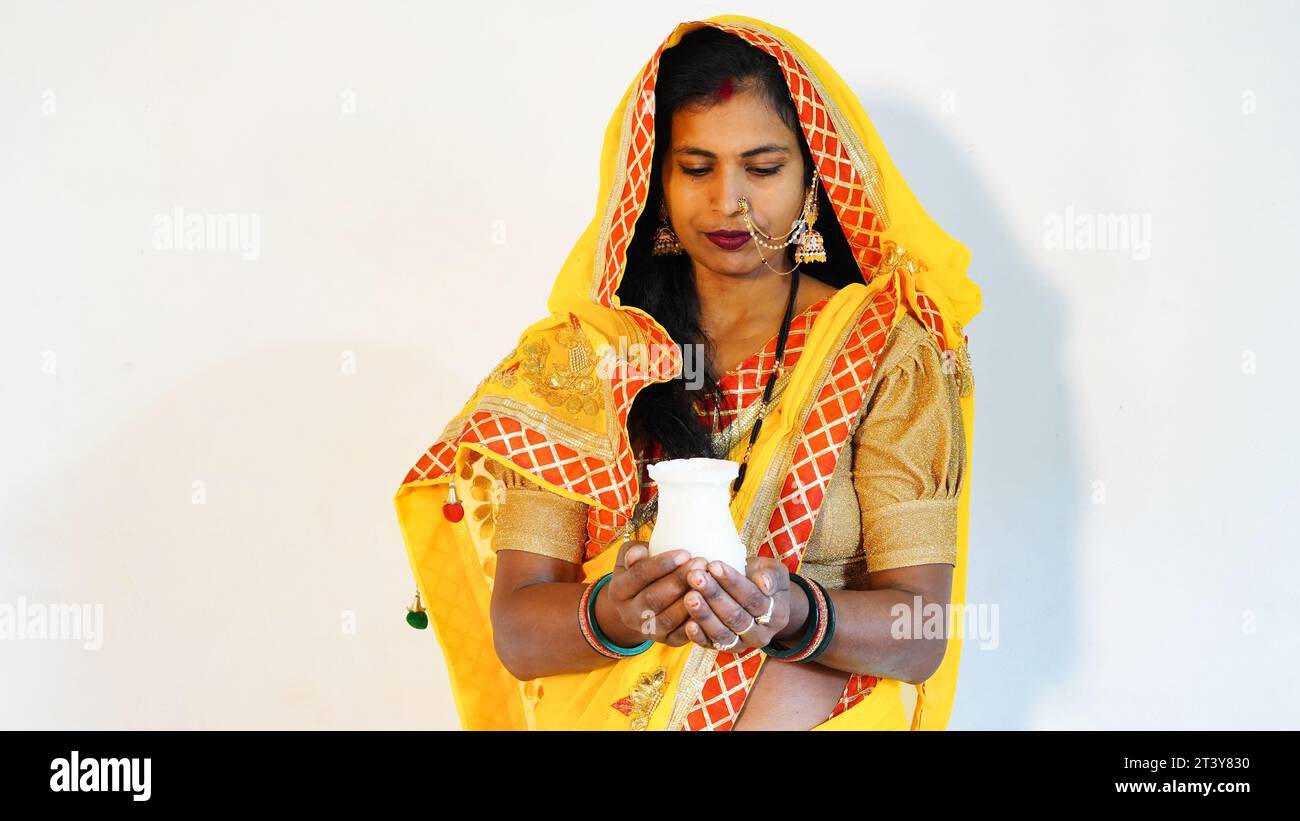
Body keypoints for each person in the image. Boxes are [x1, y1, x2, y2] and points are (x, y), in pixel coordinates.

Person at [393, 14, 981, 731]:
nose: (728, 201)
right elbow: (518, 628)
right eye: (695, 167)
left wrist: (791, 610)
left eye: (763, 168)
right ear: (655, 176)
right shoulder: (584, 356)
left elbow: (919, 630)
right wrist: (617, 609)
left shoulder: (887, 351)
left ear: (813, 176)